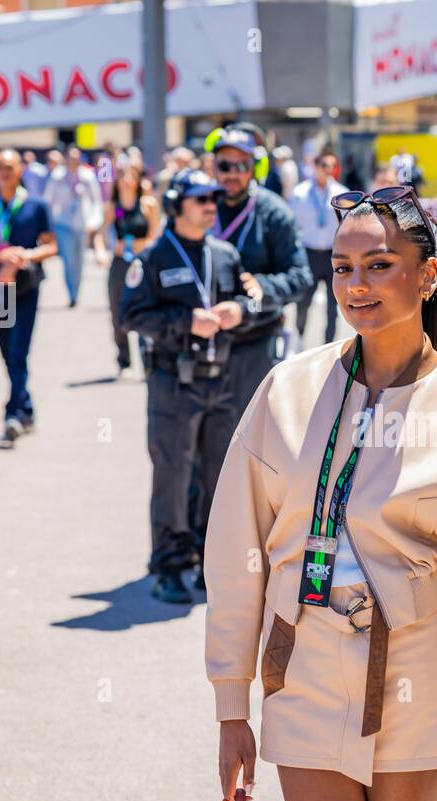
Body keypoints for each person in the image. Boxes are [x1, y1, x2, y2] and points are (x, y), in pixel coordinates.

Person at [205, 184, 437, 801]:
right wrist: (231, 704)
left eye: (379, 265)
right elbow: (236, 553)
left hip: (414, 683)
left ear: (428, 273)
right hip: (301, 673)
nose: (355, 285)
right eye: (341, 267)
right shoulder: (287, 390)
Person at [119, 170, 255, 603]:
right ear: (177, 205)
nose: (211, 204)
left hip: (221, 383)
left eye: (214, 197)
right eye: (200, 198)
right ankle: (169, 565)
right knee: (173, 478)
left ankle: (205, 558)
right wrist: (184, 324)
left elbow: (249, 299)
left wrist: (240, 309)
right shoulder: (154, 257)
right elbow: (131, 316)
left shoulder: (226, 254)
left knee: (217, 479)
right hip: (173, 385)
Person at [185, 125, 312, 584]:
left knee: (248, 455)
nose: (232, 174)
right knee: (197, 453)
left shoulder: (272, 213)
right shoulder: (197, 206)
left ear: (254, 167)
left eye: (242, 165)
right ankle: (199, 551)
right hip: (197, 348)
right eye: (224, 165)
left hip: (253, 347)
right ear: (211, 166)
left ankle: (245, 555)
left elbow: (300, 276)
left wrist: (261, 291)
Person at [0, 149, 57, 445]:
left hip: (26, 286)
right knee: (8, 352)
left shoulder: (36, 206)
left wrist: (26, 255)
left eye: (9, 167)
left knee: (20, 350)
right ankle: (27, 408)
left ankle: (13, 413)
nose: (4, 172)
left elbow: (51, 245)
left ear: (20, 169)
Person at [98, 160, 161, 376]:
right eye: (122, 176)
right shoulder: (112, 207)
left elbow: (155, 234)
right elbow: (101, 233)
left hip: (142, 262)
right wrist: (104, 250)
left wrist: (140, 245)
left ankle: (147, 359)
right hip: (119, 262)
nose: (125, 181)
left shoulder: (148, 204)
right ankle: (123, 359)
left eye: (130, 176)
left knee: (146, 309)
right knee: (118, 312)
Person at [289, 149, 346, 346]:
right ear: (315, 167)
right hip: (309, 253)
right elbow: (292, 226)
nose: (328, 170)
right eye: (324, 165)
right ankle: (299, 337)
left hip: (333, 255)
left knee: (333, 305)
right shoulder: (300, 193)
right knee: (303, 302)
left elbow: (346, 226)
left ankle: (329, 345)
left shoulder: (340, 193)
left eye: (332, 166)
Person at [42, 146, 103, 308]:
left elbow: (96, 201)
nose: (74, 161)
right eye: (71, 158)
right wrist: (50, 224)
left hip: (82, 224)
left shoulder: (87, 176)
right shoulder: (57, 176)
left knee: (80, 261)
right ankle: (72, 294)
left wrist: (93, 222)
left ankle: (77, 289)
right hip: (64, 225)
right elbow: (49, 200)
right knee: (69, 261)